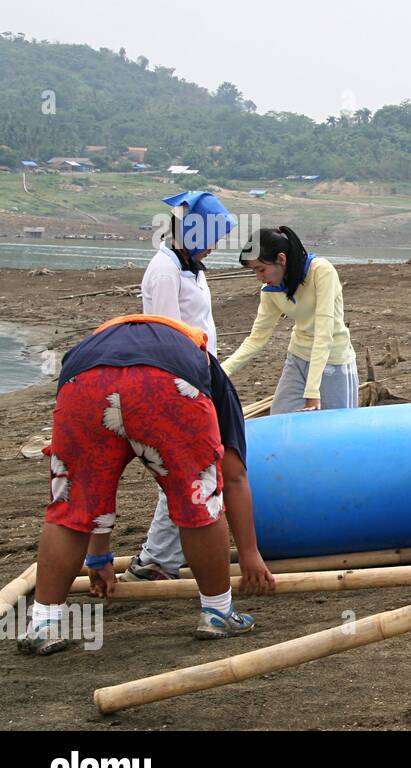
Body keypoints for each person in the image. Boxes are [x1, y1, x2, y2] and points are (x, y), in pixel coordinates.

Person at [19, 315, 275, 656]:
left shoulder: (91, 347)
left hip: (83, 383)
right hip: (167, 385)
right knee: (197, 497)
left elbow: (95, 488)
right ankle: (217, 612)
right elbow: (232, 476)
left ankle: (43, 623)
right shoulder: (204, 362)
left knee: (73, 500)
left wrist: (99, 559)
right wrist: (248, 553)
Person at [124, 191, 238, 583]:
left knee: (190, 470)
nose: (215, 246)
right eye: (212, 236)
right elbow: (168, 335)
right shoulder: (165, 270)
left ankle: (161, 557)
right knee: (185, 468)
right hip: (180, 382)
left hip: (201, 377)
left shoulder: (190, 267)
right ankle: (158, 559)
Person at [222, 227, 359, 413]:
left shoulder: (321, 271)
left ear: (281, 259)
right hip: (298, 357)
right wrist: (222, 372)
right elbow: (256, 339)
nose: (259, 278)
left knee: (334, 429)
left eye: (261, 270)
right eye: (255, 271)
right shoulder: (271, 290)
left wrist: (312, 392)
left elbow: (324, 333)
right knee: (281, 417)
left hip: (332, 361)